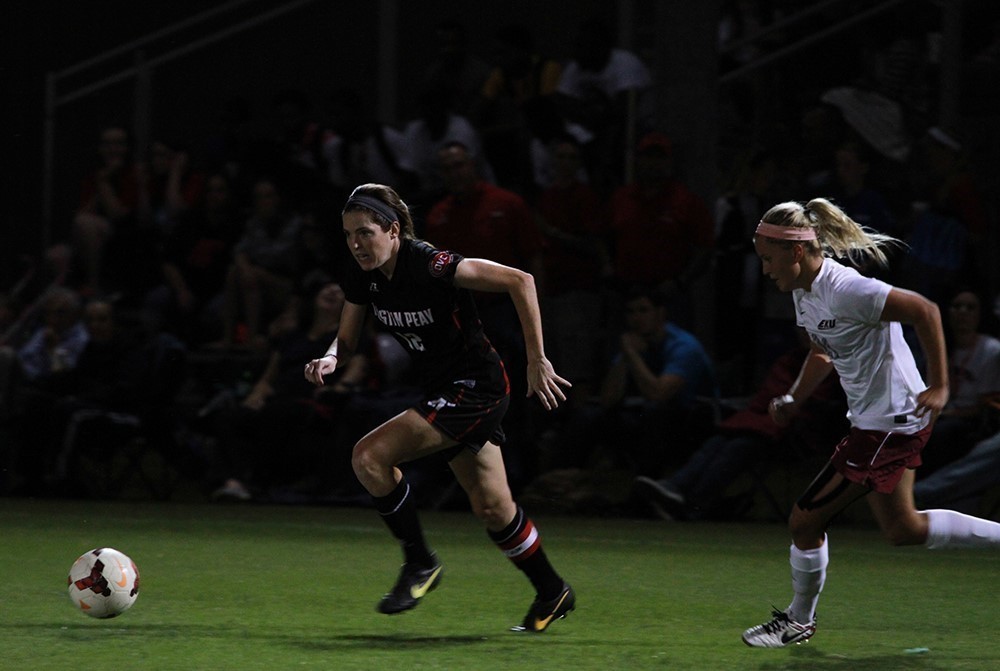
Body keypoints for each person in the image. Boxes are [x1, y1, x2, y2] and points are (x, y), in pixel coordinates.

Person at [303, 183, 574, 632]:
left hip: (476, 387)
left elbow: (519, 280)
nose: (356, 243)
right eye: (349, 234)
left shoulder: (431, 263)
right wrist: (332, 356)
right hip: (442, 391)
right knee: (492, 508)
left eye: (365, 232)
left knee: (369, 457)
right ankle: (553, 590)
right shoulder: (362, 275)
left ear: (393, 230)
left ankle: (420, 563)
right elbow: (347, 340)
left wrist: (536, 358)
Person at [741, 198, 1000, 649]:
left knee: (804, 520)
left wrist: (940, 386)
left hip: (891, 424)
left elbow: (926, 311)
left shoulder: (846, 289)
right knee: (904, 529)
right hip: (876, 421)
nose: (765, 270)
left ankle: (798, 620)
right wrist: (793, 398)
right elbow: (823, 351)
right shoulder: (806, 293)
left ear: (796, 252)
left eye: (768, 258)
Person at [634, 331, 847, 521]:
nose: (805, 334)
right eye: (802, 329)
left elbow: (818, 405)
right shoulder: (788, 360)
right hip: (760, 424)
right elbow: (766, 396)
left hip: (794, 434)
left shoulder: (833, 365)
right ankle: (675, 487)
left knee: (738, 448)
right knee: (718, 442)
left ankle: (692, 504)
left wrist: (782, 412)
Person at [541, 284, 717, 479]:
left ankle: (646, 486)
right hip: (650, 417)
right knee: (589, 415)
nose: (636, 318)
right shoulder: (632, 341)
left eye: (643, 310)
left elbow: (659, 394)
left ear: (660, 313)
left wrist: (631, 354)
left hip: (690, 420)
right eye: (631, 312)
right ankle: (555, 477)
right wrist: (625, 357)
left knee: (655, 414)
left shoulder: (684, 346)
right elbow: (608, 399)